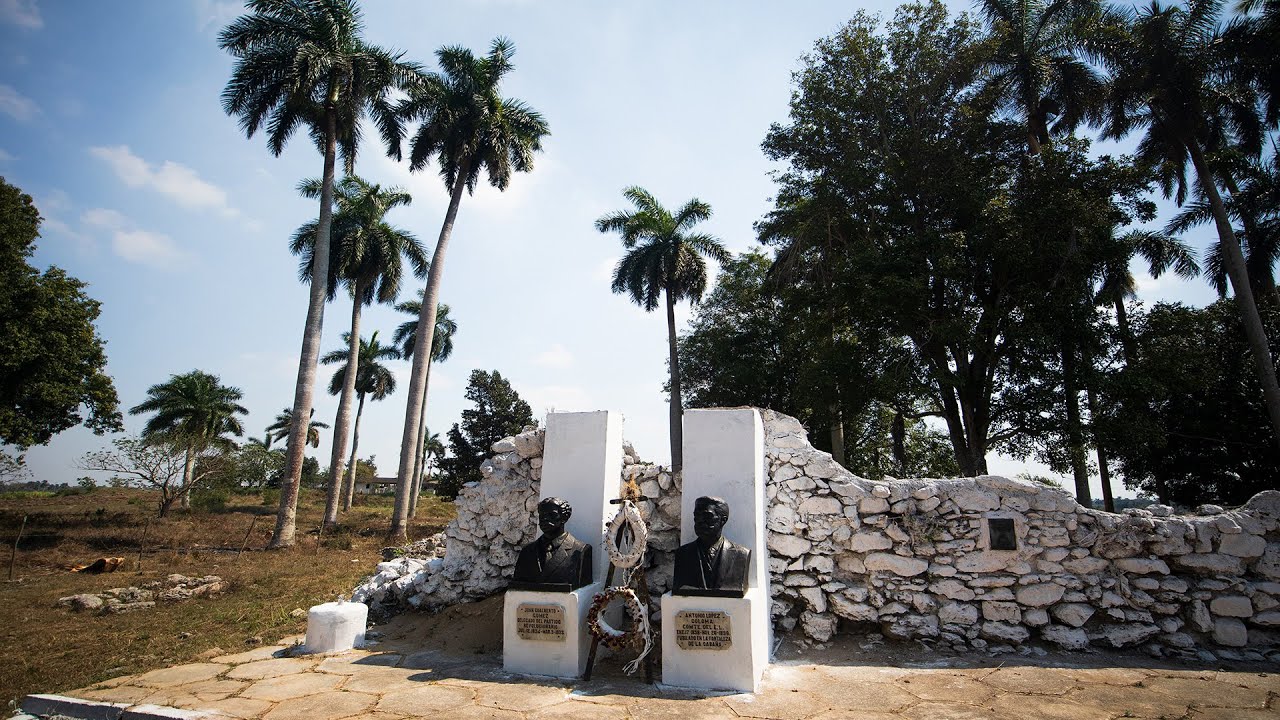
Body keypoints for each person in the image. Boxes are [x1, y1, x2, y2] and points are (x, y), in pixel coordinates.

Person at [672, 495, 750, 596]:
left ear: (723, 520)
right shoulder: (682, 554)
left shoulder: (741, 555)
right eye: (697, 516)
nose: (700, 521)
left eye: (707, 516)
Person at [512, 496, 593, 589]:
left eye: (552, 515)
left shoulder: (580, 551)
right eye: (542, 515)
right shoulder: (527, 552)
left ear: (564, 518)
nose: (545, 519)